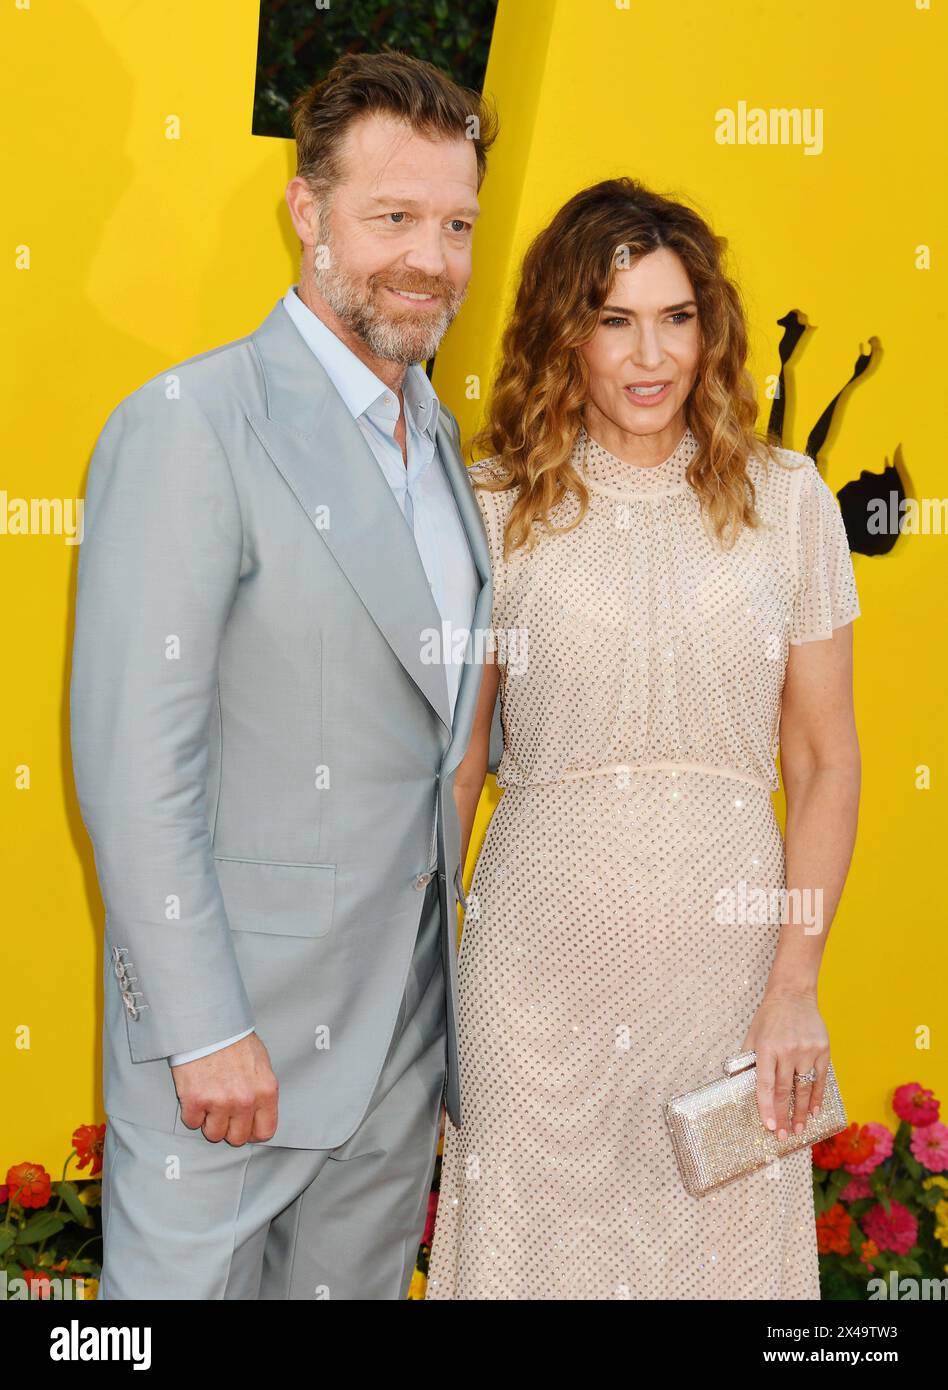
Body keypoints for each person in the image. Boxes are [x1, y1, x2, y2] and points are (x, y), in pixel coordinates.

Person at [69, 51, 497, 1300]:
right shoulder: (192, 424)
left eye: (457, 224)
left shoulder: (444, 448)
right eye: (394, 218)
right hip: (233, 1053)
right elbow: (134, 763)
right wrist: (205, 1028)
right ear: (306, 214)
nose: (430, 257)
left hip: (399, 1049)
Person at [426, 178, 861, 1300]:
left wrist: (796, 983)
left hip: (728, 971)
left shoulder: (789, 501)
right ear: (563, 332)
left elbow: (822, 763)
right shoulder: (493, 502)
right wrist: (418, 977)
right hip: (531, 974)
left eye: (675, 316)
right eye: (614, 319)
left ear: (710, 330)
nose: (649, 353)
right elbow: (461, 762)